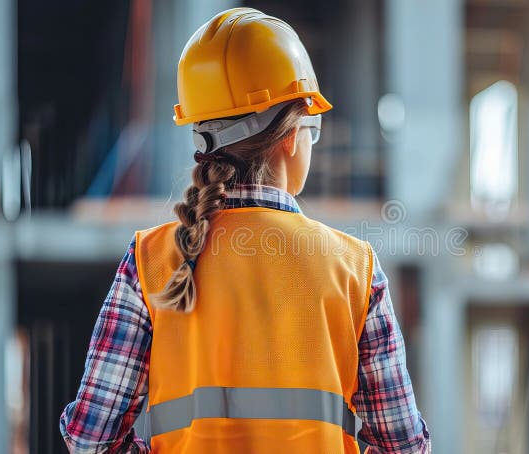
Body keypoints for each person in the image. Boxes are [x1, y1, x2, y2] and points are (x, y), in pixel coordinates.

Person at [60, 8, 430, 453]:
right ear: (291, 135)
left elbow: (90, 440)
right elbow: (404, 447)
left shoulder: (151, 260)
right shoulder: (355, 269)